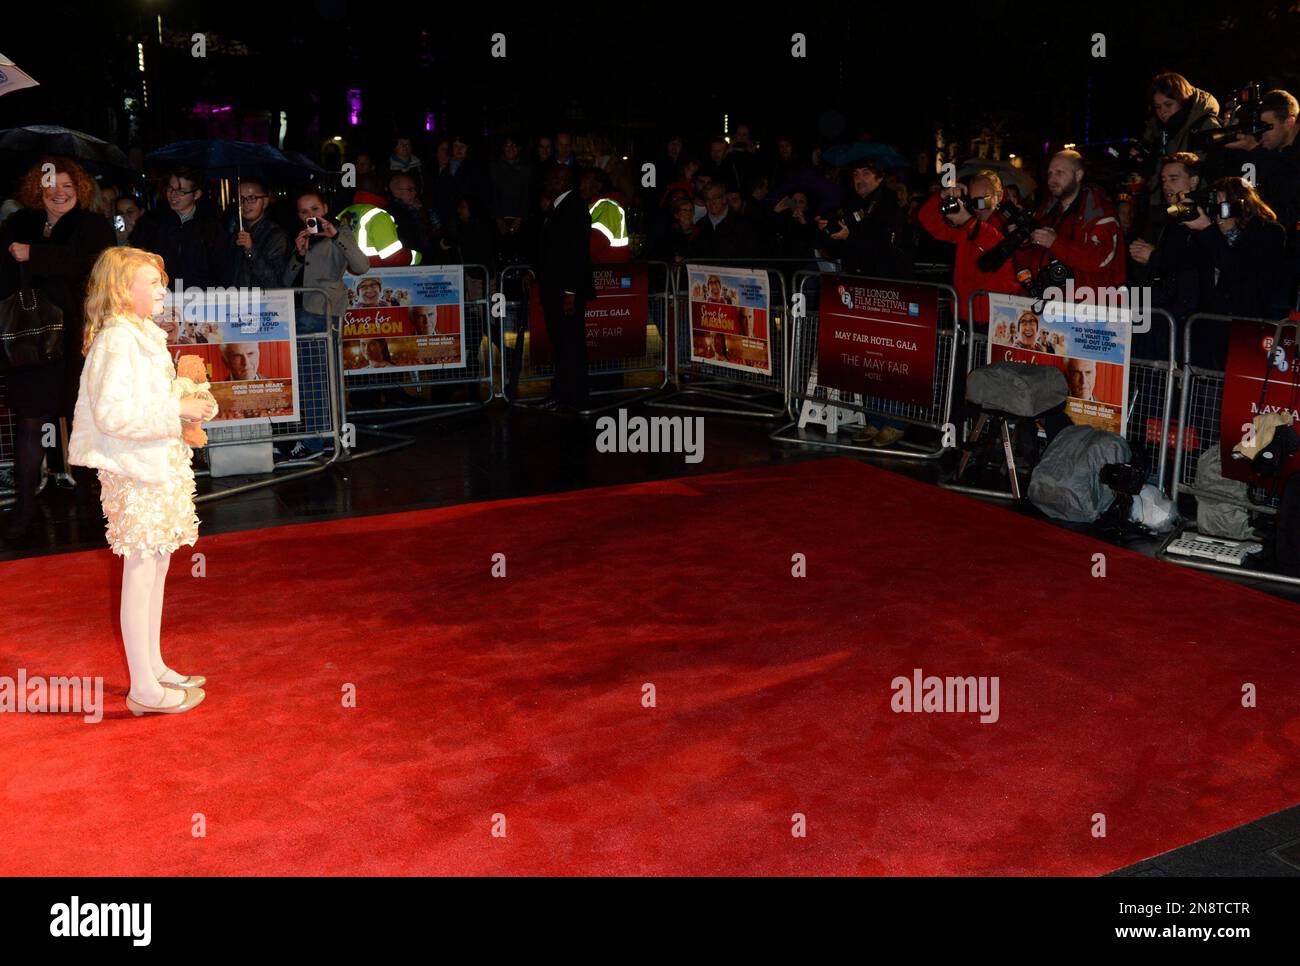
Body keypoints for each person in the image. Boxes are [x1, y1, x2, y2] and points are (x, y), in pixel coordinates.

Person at [66, 246, 214, 716]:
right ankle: (144, 689)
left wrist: (188, 398)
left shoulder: (142, 333)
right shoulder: (117, 340)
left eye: (160, 282)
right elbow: (113, 415)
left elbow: (147, 400)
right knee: (141, 572)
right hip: (134, 473)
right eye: (152, 283)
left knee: (156, 569)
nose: (162, 290)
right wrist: (178, 409)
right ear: (121, 290)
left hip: (158, 465)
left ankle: (152, 667)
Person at [0, 156, 116, 541]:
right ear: (38, 188)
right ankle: (24, 507)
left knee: (81, 420)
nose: (60, 193)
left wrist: (35, 255)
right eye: (52, 186)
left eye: (68, 187)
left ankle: (91, 502)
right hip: (29, 339)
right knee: (29, 423)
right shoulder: (17, 224)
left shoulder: (93, 225)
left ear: (79, 189)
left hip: (76, 339)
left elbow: (93, 267)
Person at [283, 189, 368, 458]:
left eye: (315, 210)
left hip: (324, 311)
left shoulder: (339, 233)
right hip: (300, 312)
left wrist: (336, 235)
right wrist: (298, 255)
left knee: (318, 378)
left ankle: (319, 441)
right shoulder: (302, 238)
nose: (311, 216)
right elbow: (286, 280)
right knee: (311, 377)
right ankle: (324, 439)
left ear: (325, 208)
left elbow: (361, 266)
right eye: (304, 212)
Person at [1185, 176, 1289, 368]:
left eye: (1222, 206)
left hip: (1248, 330)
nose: (1218, 215)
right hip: (1209, 330)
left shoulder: (1269, 232)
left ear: (1242, 206)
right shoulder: (1207, 237)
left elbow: (1240, 272)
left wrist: (1210, 232)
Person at [916, 170, 1020, 323]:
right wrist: (942, 196)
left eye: (983, 200)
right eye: (973, 202)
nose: (978, 207)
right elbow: (927, 218)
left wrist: (968, 221)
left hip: (997, 320)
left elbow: (994, 244)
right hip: (963, 315)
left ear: (999, 197)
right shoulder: (965, 228)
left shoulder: (1010, 225)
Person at [1015, 149, 1125, 293]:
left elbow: (1100, 259)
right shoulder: (1045, 212)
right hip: (1050, 303)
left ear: (1078, 175)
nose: (1052, 180)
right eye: (1050, 173)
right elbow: (1029, 261)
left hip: (1089, 305)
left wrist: (1055, 243)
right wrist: (1022, 241)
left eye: (1059, 173)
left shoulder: (1099, 213)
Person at [535, 164, 595, 414]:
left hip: (565, 291)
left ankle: (572, 396)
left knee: (569, 344)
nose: (546, 181)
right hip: (558, 288)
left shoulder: (573, 207)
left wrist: (570, 291)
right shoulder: (561, 207)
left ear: (560, 181)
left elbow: (577, 253)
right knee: (563, 344)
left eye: (550, 177)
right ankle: (564, 394)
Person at [132, 167, 230, 289]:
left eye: (181, 191)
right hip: (162, 295)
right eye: (170, 189)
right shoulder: (152, 222)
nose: (173, 195)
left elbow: (221, 269)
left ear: (197, 194)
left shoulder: (210, 227)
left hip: (201, 299)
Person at [817, 159, 910, 278]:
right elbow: (835, 251)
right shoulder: (850, 204)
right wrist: (827, 231)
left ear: (879, 178)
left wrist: (849, 238)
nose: (859, 179)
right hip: (855, 278)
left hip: (884, 281)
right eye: (856, 174)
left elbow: (886, 247)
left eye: (866, 173)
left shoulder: (889, 204)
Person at [231, 178, 289, 289]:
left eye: (252, 198)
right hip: (237, 300)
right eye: (241, 199)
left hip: (262, 302)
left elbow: (274, 280)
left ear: (265, 202)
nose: (245, 204)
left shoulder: (276, 235)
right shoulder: (235, 232)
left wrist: (250, 249)